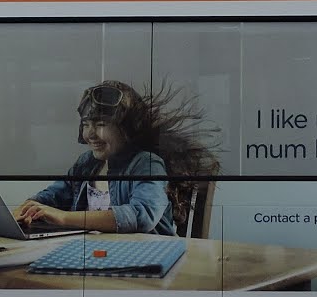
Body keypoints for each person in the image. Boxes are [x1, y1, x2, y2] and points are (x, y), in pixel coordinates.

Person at [15, 80, 217, 237]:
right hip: (94, 257)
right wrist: (25, 209)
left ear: (126, 128)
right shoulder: (86, 163)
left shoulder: (146, 164)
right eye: (86, 125)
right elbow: (51, 197)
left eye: (101, 124)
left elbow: (142, 215)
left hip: (145, 261)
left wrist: (64, 217)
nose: (90, 134)